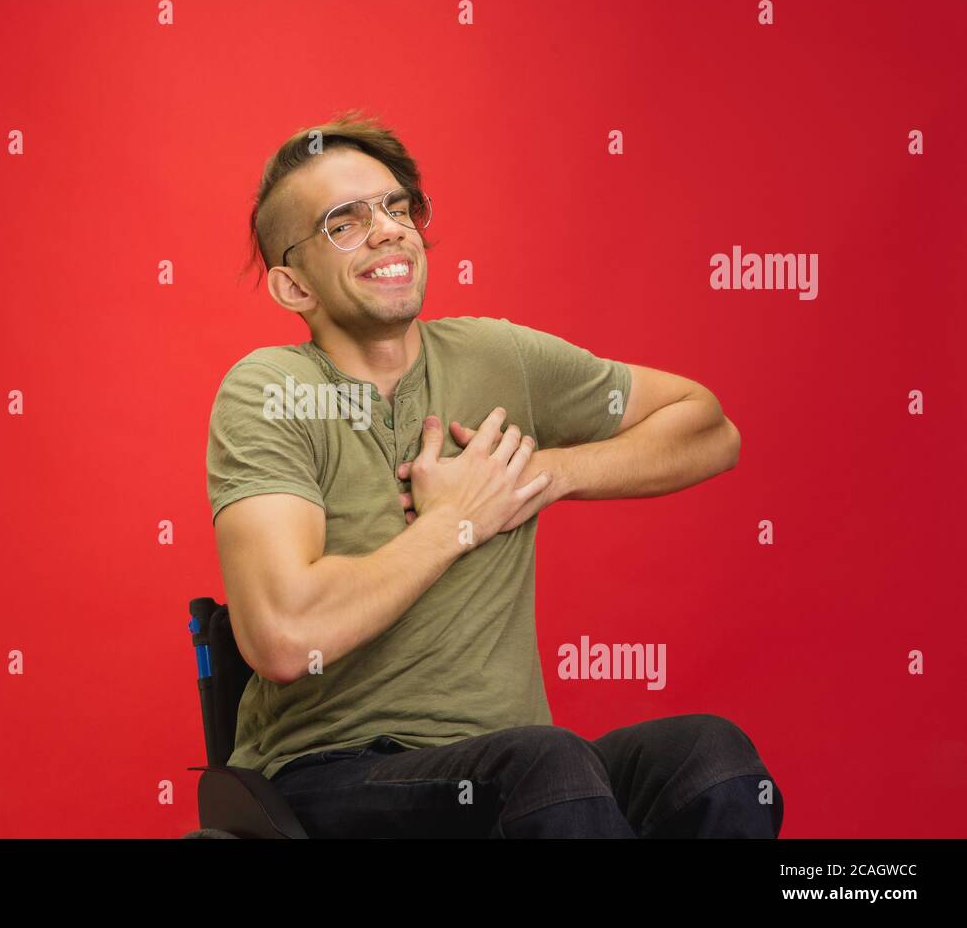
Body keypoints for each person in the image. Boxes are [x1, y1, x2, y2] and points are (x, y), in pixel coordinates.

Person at [204, 109, 781, 837]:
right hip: (333, 774)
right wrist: (454, 523)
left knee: (713, 759)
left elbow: (709, 427)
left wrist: (543, 473)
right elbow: (283, 637)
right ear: (295, 288)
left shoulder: (496, 358)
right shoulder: (268, 390)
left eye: (395, 206)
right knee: (549, 770)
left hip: (524, 772)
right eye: (343, 223)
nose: (388, 229)